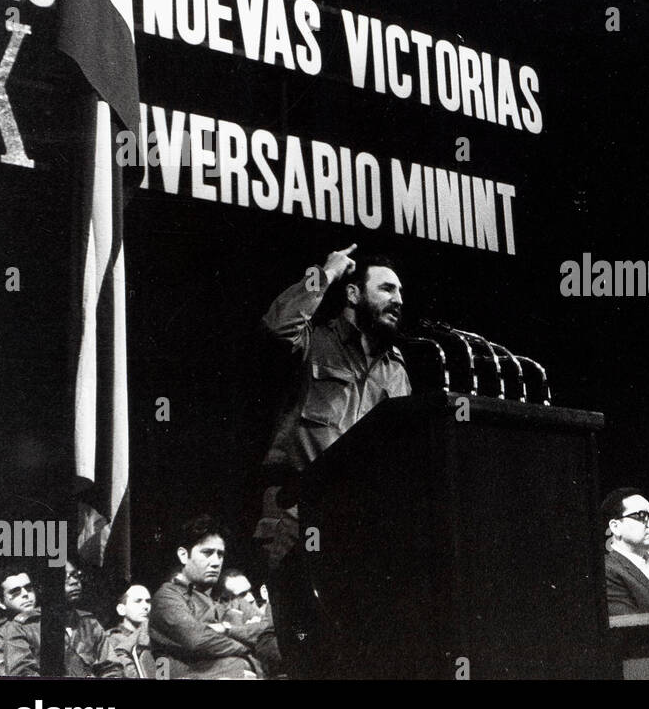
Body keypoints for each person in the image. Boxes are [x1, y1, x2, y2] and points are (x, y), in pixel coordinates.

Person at [255, 244, 412, 673]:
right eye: (387, 288)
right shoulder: (314, 341)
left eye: (401, 291)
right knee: (308, 650)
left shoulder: (395, 369)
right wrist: (324, 272)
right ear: (355, 295)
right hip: (297, 516)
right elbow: (277, 326)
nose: (399, 299)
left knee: (359, 654)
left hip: (360, 525)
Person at [151, 516, 262, 679]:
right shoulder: (167, 597)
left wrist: (227, 629)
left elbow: (266, 631)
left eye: (220, 554)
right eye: (207, 553)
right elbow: (196, 640)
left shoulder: (224, 597)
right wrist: (247, 647)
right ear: (183, 555)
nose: (216, 562)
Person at [0, 565, 40, 676]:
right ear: (1, 603)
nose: (25, 594)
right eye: (15, 592)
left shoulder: (51, 619)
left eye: (28, 588)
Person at [96, 585, 156, 678]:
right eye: (138, 601)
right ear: (121, 609)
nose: (145, 607)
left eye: (148, 601)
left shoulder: (154, 637)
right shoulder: (112, 640)